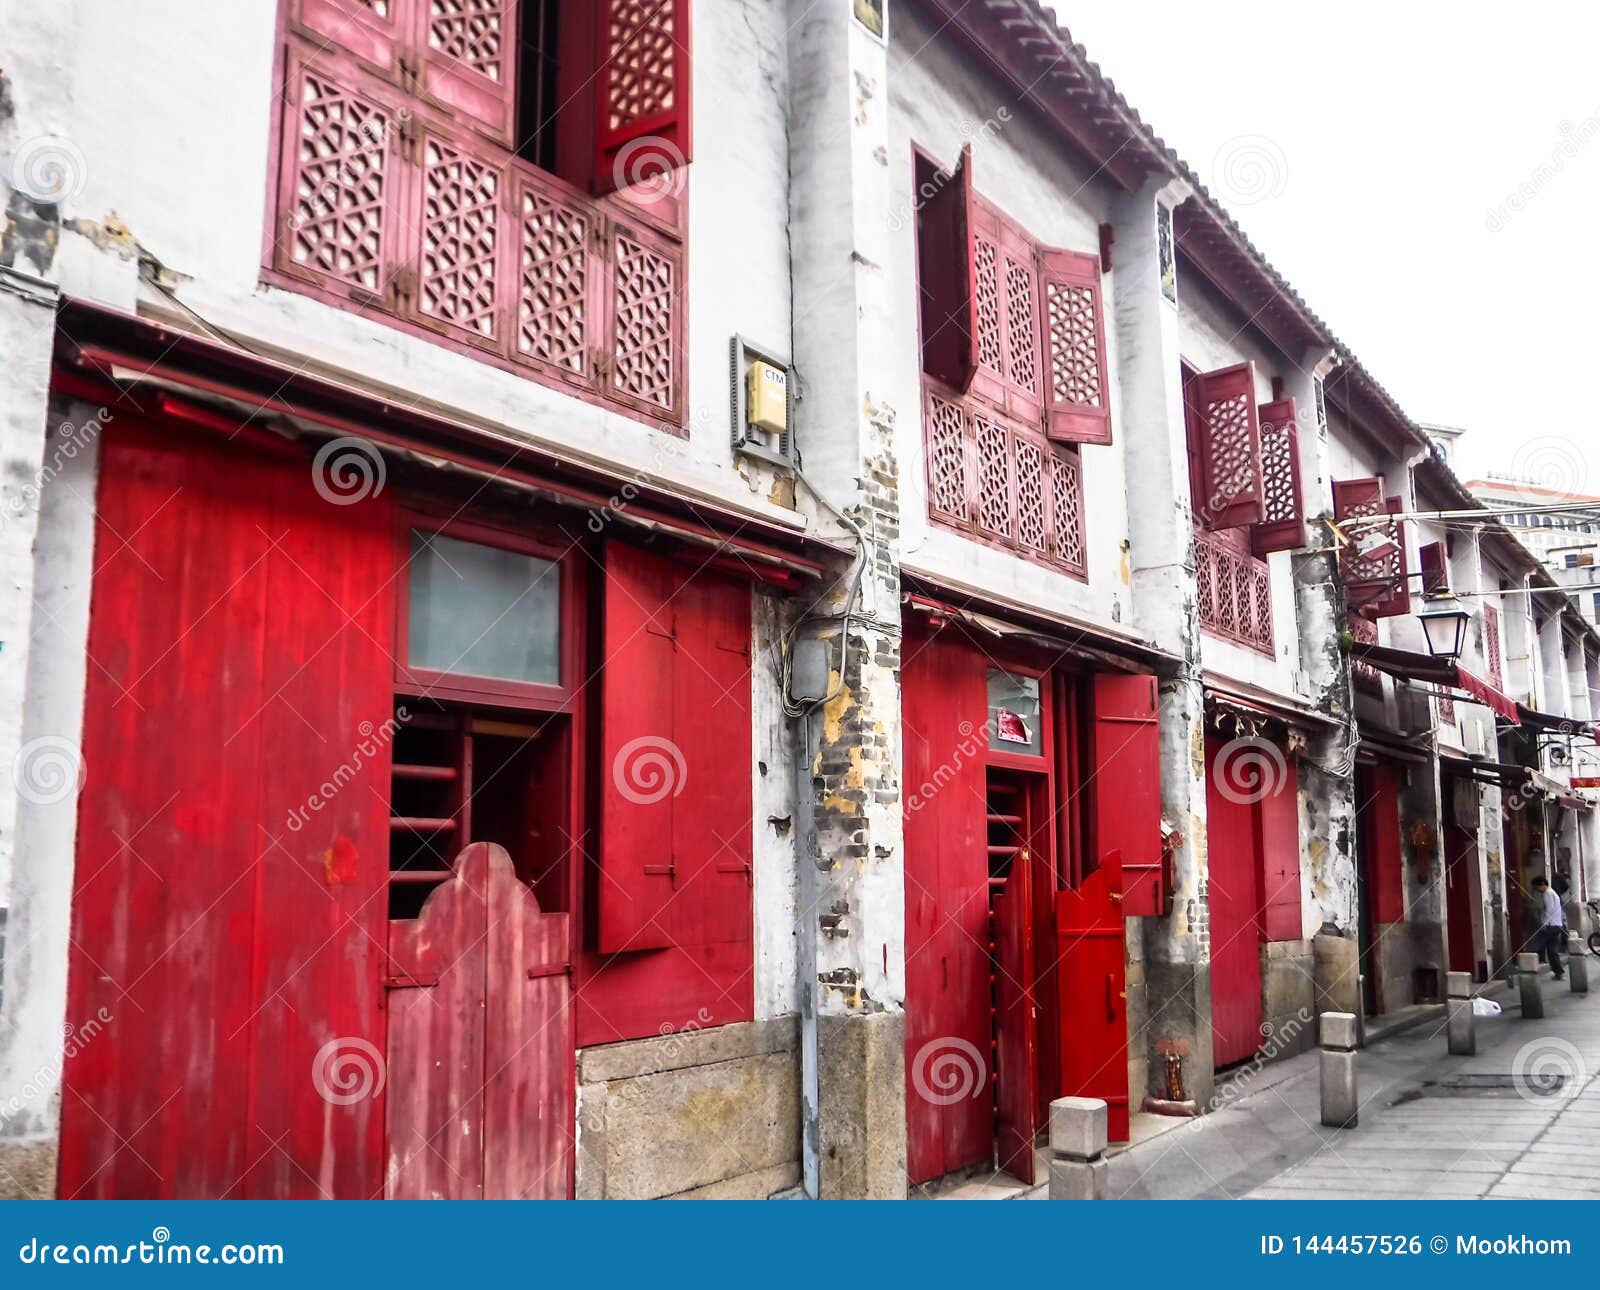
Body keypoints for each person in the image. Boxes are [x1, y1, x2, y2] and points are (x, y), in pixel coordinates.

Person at [1532, 875, 1566, 979]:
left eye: (1537, 887)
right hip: (1557, 925)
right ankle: (1558, 972)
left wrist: (1544, 924)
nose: (1537, 890)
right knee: (1552, 951)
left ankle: (1528, 965)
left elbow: (1549, 910)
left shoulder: (1548, 894)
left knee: (1535, 944)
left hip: (1551, 925)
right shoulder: (1553, 893)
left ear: (1542, 885)